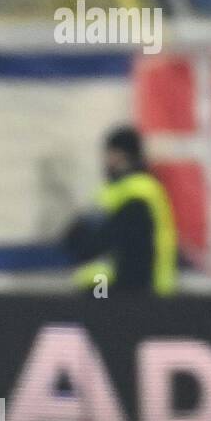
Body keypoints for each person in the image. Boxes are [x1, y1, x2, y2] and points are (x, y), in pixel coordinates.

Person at [63, 126, 177, 296]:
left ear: (121, 155)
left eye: (109, 154)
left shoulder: (136, 195)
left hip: (131, 293)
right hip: (117, 289)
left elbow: (95, 243)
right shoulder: (121, 191)